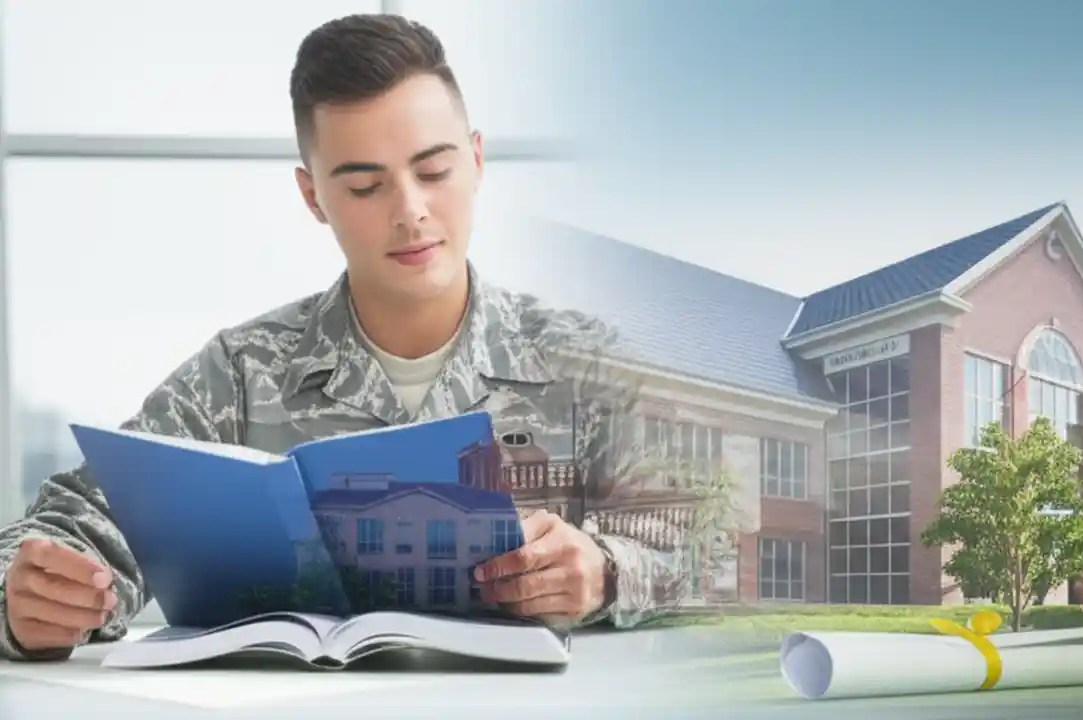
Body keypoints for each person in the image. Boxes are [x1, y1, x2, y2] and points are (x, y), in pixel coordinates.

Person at [0, 13, 690, 662]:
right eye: (365, 188)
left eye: (434, 170)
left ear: (477, 162)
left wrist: (604, 573)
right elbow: (69, 527)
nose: (411, 212)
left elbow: (710, 547)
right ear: (313, 197)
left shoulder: (591, 365)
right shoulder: (241, 374)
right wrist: (25, 600)